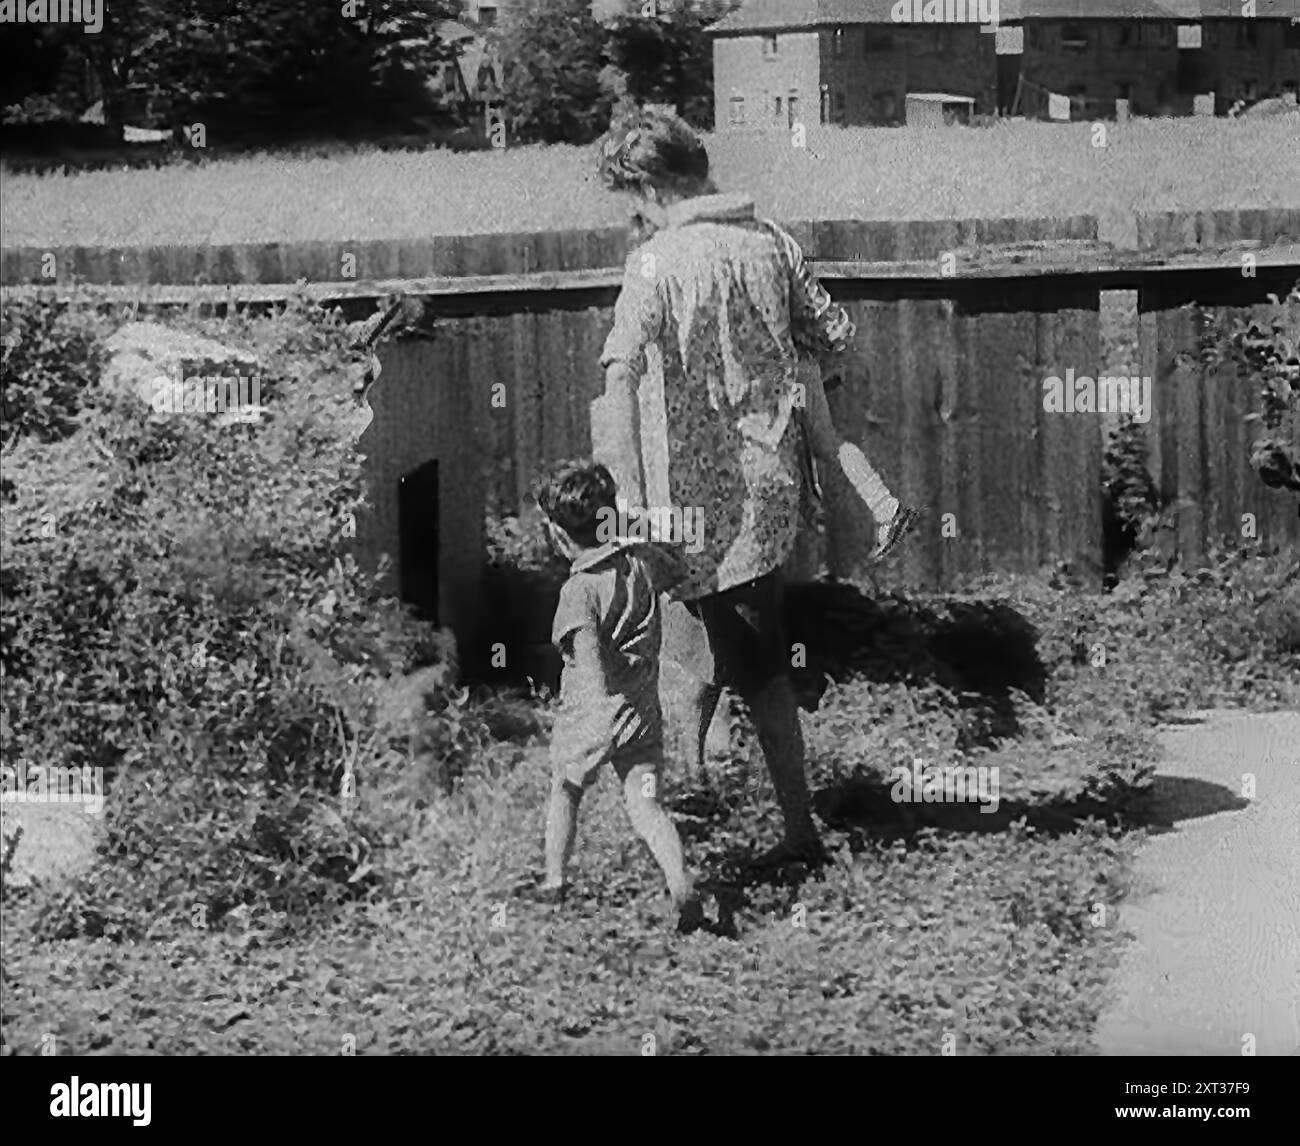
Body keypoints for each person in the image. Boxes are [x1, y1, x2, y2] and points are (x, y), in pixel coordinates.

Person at [592, 106, 918, 866]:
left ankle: (800, 835)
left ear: (648, 184)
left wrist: (628, 498)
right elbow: (833, 333)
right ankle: (699, 795)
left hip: (685, 501)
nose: (632, 215)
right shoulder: (771, 241)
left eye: (631, 198)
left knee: (760, 667)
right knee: (695, 648)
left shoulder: (655, 264)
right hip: (766, 488)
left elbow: (619, 372)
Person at [530, 458, 704, 933]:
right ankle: (678, 879)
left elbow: (587, 659)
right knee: (647, 805)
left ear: (559, 538)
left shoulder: (578, 591)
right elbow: (678, 563)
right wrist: (633, 532)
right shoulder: (641, 566)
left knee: (565, 791)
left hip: (592, 712)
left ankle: (554, 880)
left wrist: (594, 720)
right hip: (642, 715)